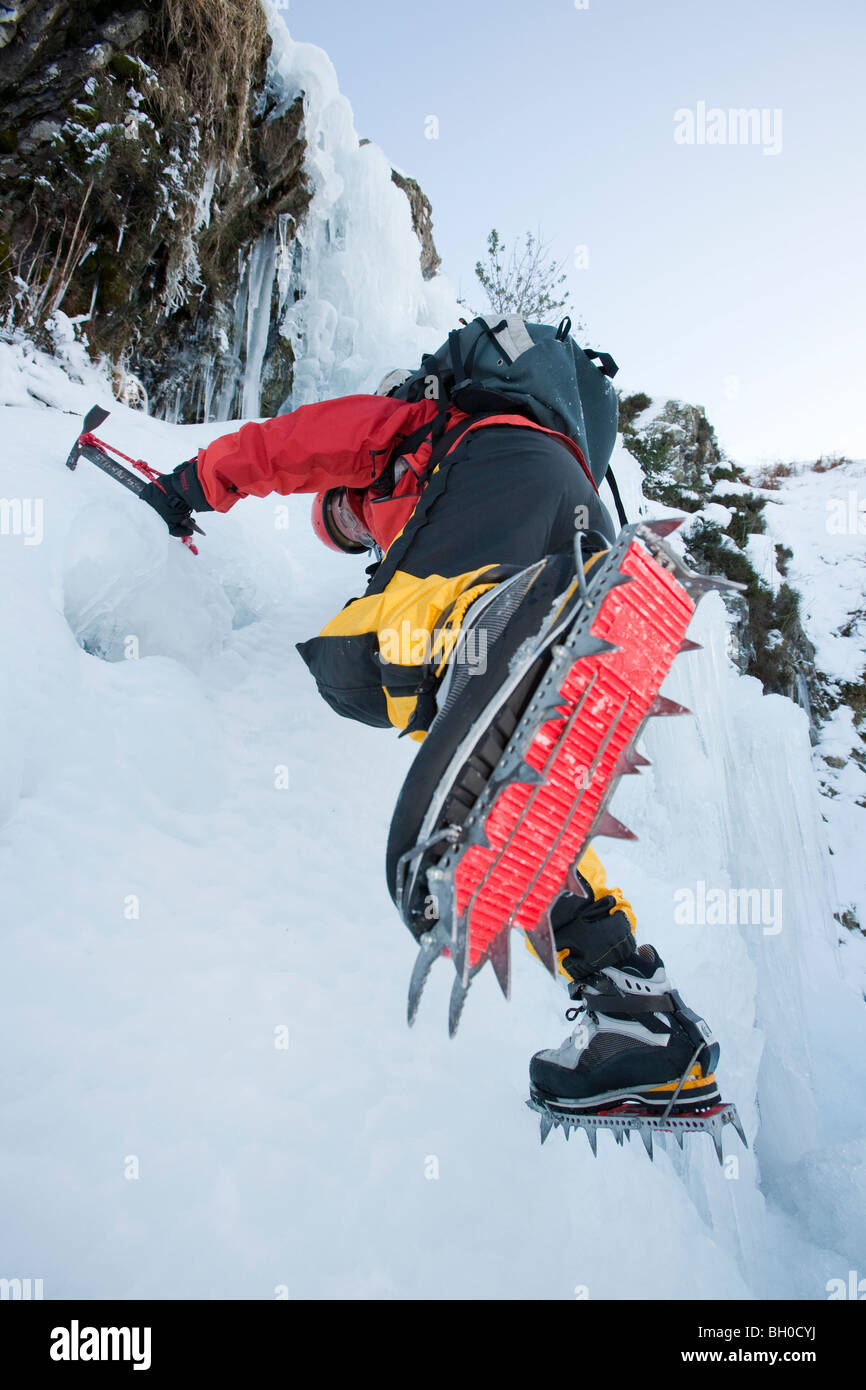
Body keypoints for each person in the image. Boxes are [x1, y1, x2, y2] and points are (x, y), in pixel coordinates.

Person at [140, 378, 722, 1119]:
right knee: (518, 783)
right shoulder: (499, 453)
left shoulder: (417, 426)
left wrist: (185, 486)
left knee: (356, 658)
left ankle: (491, 621)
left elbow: (285, 447)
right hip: (585, 527)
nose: (357, 528)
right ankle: (635, 1004)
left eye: (346, 518)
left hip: (500, 482)